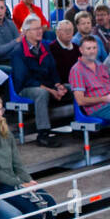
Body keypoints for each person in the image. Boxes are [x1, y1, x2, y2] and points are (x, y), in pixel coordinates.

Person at [9, 16, 66, 148]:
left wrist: (58, 85)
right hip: (25, 88)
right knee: (41, 94)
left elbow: (53, 69)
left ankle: (80, 128)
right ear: (26, 32)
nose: (39, 31)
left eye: (40, 28)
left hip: (46, 84)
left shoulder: (45, 46)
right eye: (35, 29)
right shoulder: (18, 52)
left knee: (70, 89)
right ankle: (43, 134)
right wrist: (50, 90)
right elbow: (24, 79)